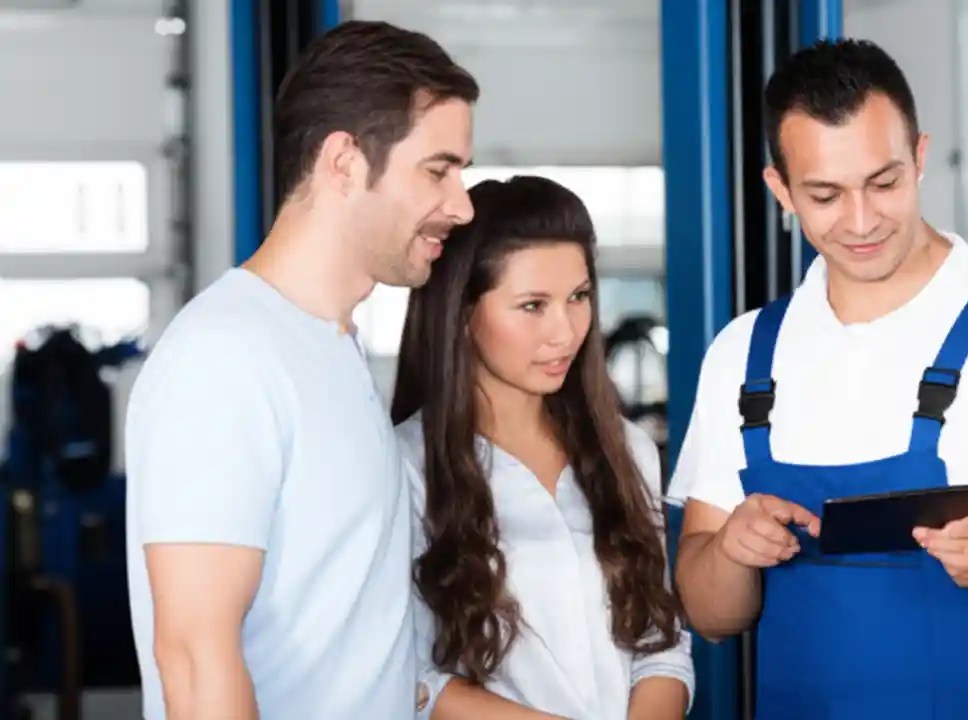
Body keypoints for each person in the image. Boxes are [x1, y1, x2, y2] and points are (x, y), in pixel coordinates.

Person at [667, 38, 968, 719]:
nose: (862, 221)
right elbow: (709, 614)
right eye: (826, 195)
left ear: (919, 157)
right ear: (781, 190)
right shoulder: (745, 355)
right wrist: (732, 552)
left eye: (884, 183)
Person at [124, 21, 477, 719]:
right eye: (438, 171)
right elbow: (194, 659)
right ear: (344, 161)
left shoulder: (329, 349)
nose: (462, 205)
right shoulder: (226, 357)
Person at [390, 176, 694, 720]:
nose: (566, 333)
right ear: (462, 313)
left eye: (579, 297)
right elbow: (412, 679)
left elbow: (661, 645)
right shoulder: (403, 467)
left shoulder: (627, 451)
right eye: (532, 305)